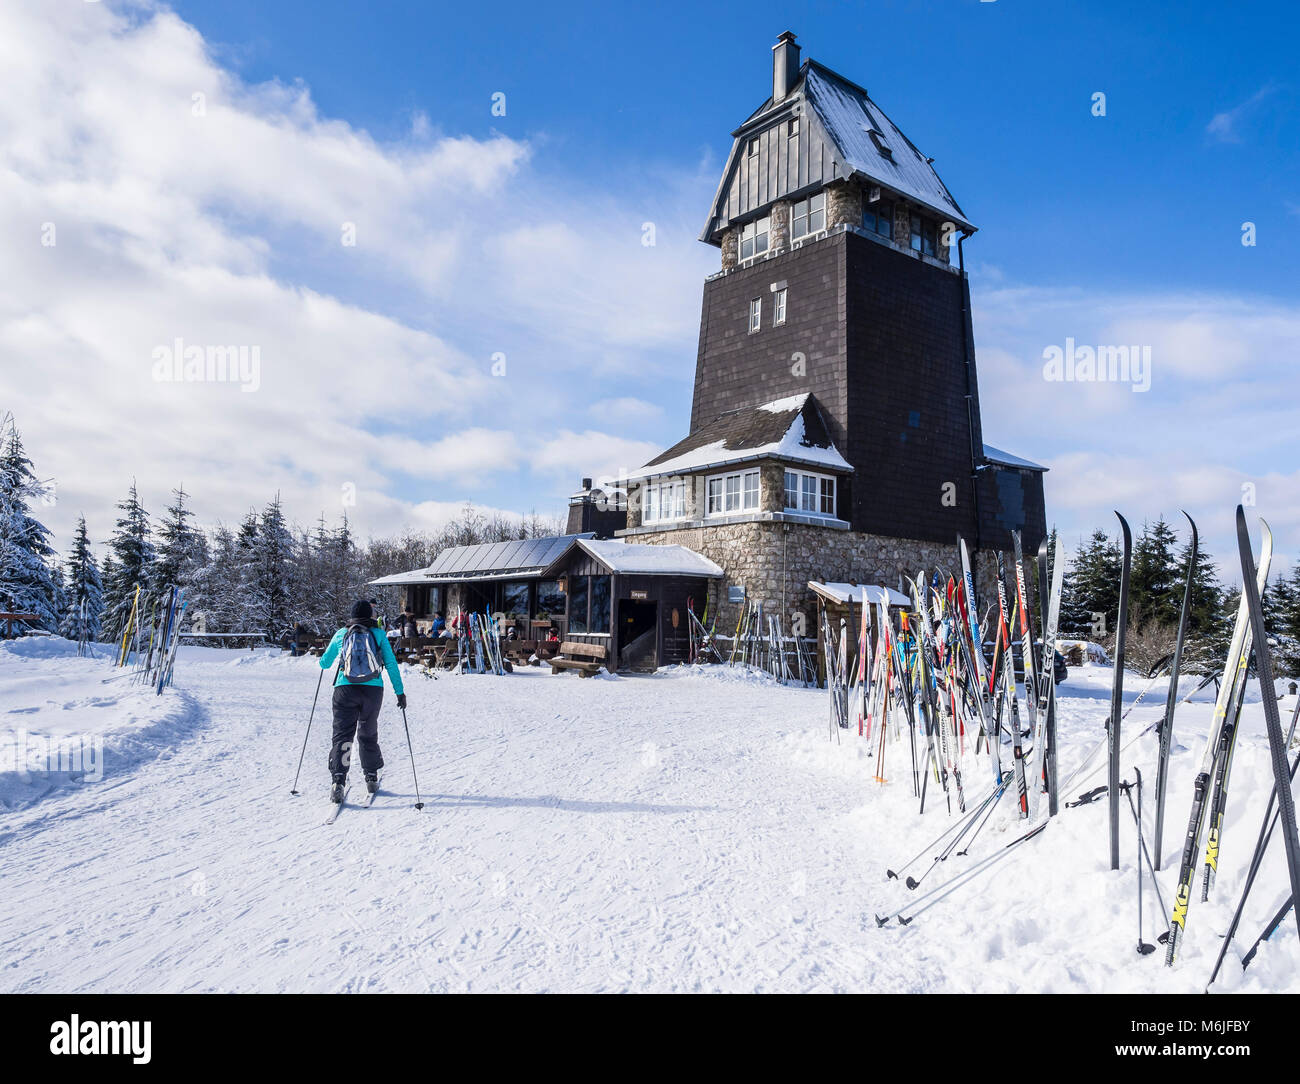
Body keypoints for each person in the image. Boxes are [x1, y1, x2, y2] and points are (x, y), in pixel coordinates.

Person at [318, 599, 407, 802]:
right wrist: (399, 692)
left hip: (344, 689)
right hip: (372, 691)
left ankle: (338, 780)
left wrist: (325, 661)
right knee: (368, 732)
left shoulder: (342, 633)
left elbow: (325, 662)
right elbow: (392, 664)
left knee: (342, 735)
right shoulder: (378, 634)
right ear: (370, 616)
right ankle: (371, 776)